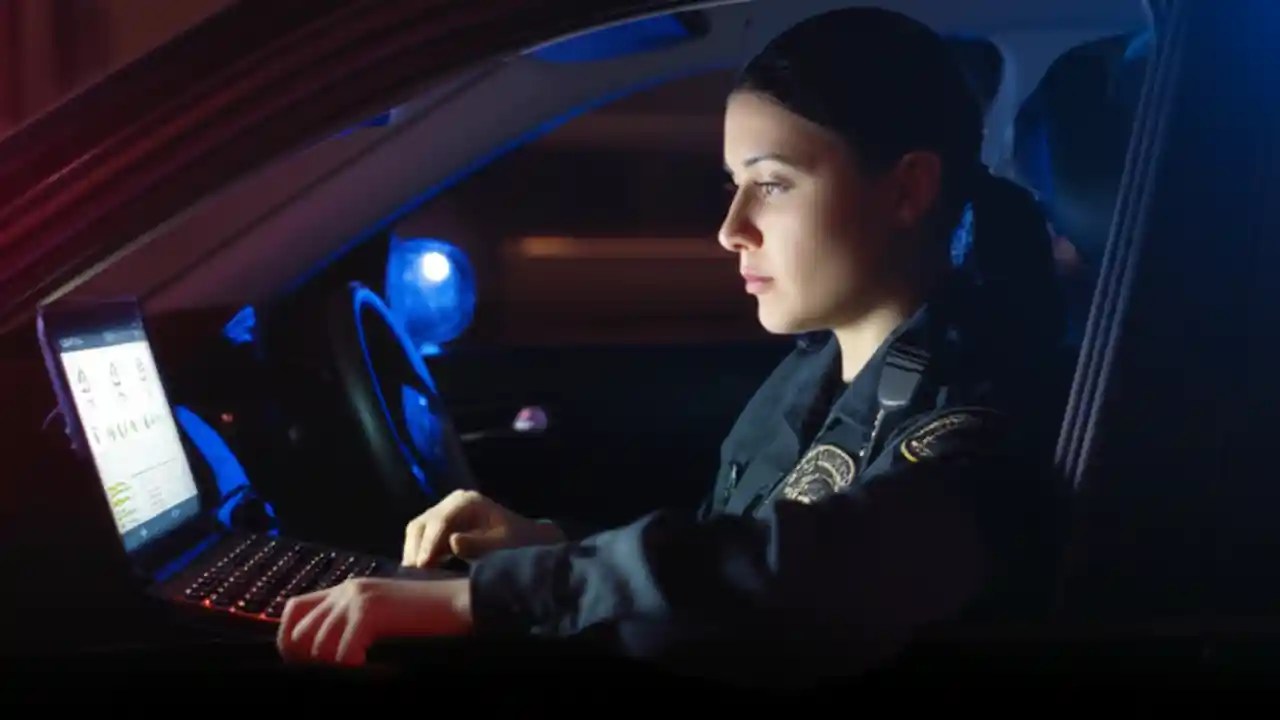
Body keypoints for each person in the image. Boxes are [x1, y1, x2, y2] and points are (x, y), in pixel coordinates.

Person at [276, 7, 1070, 683]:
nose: (731, 231)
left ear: (907, 190)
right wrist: (547, 545)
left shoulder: (977, 407)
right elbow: (718, 554)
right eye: (734, 187)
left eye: (774, 184)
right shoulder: (814, 375)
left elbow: (800, 571)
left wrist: (491, 597)